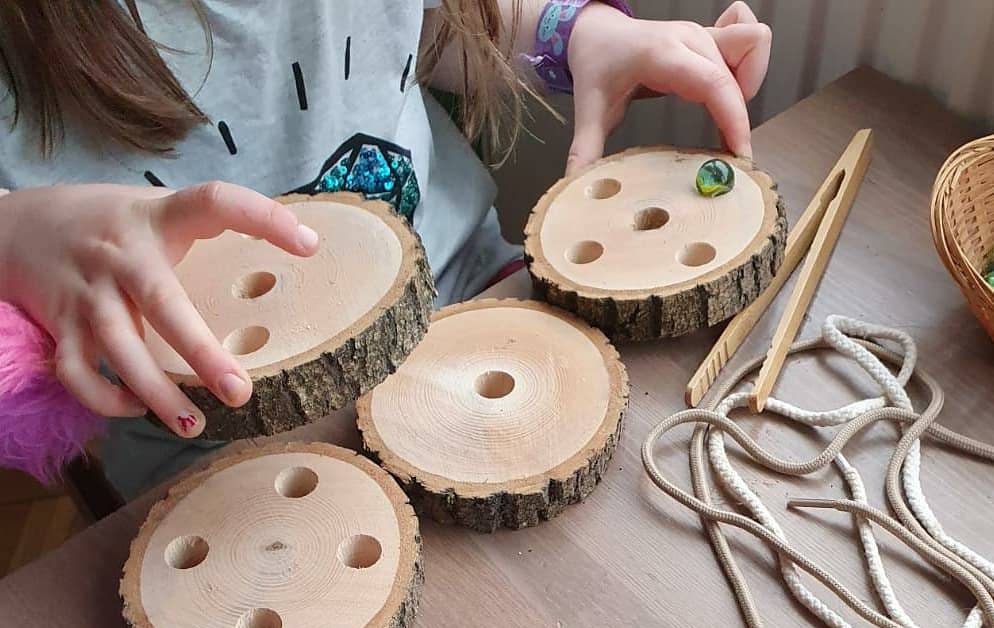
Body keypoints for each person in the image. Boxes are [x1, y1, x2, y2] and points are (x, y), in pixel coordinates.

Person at [0, 0, 771, 496]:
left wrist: (581, 37)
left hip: (469, 301)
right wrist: (14, 236)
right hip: (219, 447)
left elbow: (435, 27)